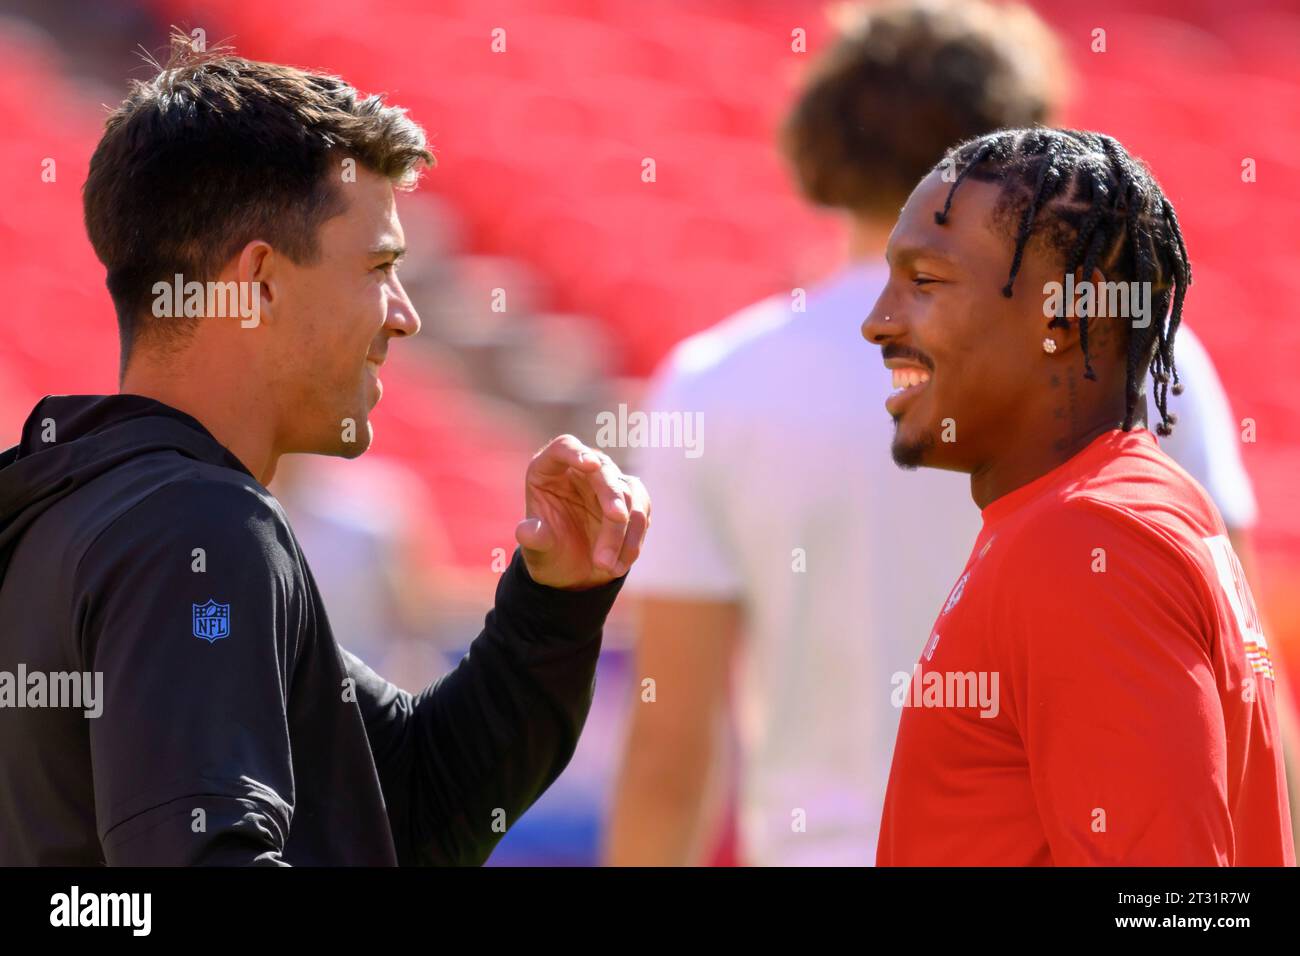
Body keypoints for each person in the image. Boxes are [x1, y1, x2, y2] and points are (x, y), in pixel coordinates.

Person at [0, 38, 650, 865]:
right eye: (380, 265)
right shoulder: (197, 529)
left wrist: (554, 603)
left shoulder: (74, 508)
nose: (405, 314)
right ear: (259, 282)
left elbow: (410, 805)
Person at [864, 127, 1293, 865]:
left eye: (925, 282)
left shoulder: (1091, 542)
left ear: (1063, 313)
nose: (878, 321)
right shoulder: (1119, 509)